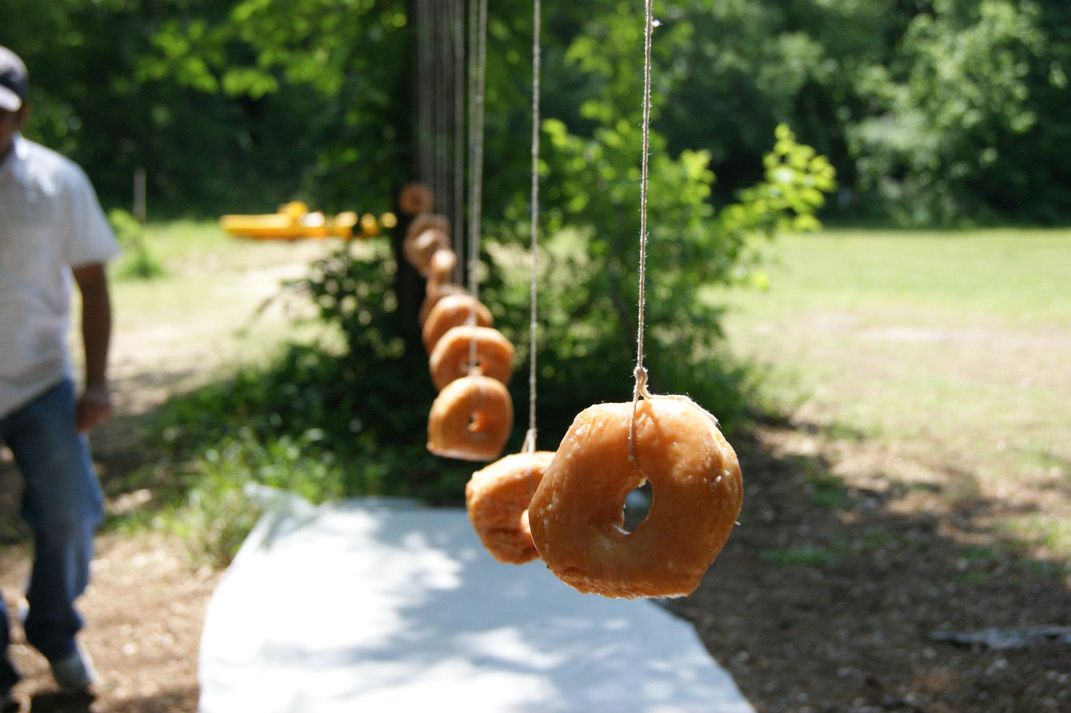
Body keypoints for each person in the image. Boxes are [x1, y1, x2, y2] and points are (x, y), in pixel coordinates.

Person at [0, 45, 119, 706]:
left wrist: (96, 381)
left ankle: (55, 629)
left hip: (41, 378)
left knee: (71, 513)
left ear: (22, 113)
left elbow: (94, 283)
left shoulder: (58, 181)